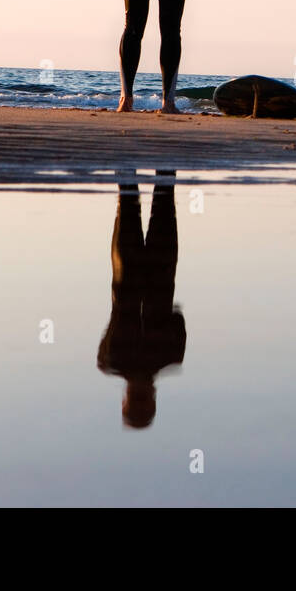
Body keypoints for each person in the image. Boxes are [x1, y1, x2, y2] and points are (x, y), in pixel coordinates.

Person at [97, 173, 185, 429]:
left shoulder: (171, 357)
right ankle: (130, 141)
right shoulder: (109, 361)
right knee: (129, 199)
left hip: (159, 272)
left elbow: (178, 319)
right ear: (125, 399)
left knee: (163, 200)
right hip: (128, 274)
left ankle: (153, 145)